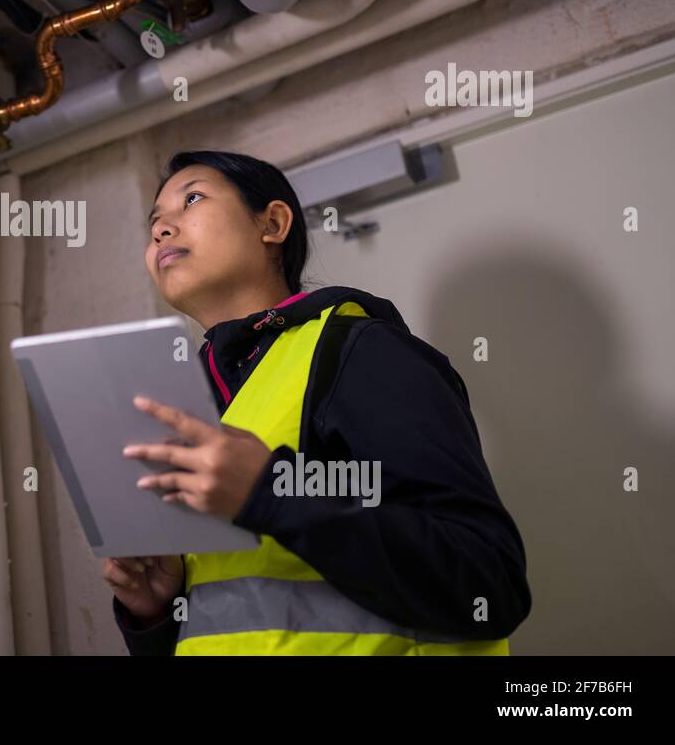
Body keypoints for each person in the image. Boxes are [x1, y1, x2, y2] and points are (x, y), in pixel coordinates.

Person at [103, 150, 531, 655]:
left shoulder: (364, 353)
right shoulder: (194, 405)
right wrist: (158, 612)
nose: (160, 230)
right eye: (153, 222)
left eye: (191, 198)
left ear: (273, 223)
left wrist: (270, 493)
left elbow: (489, 582)